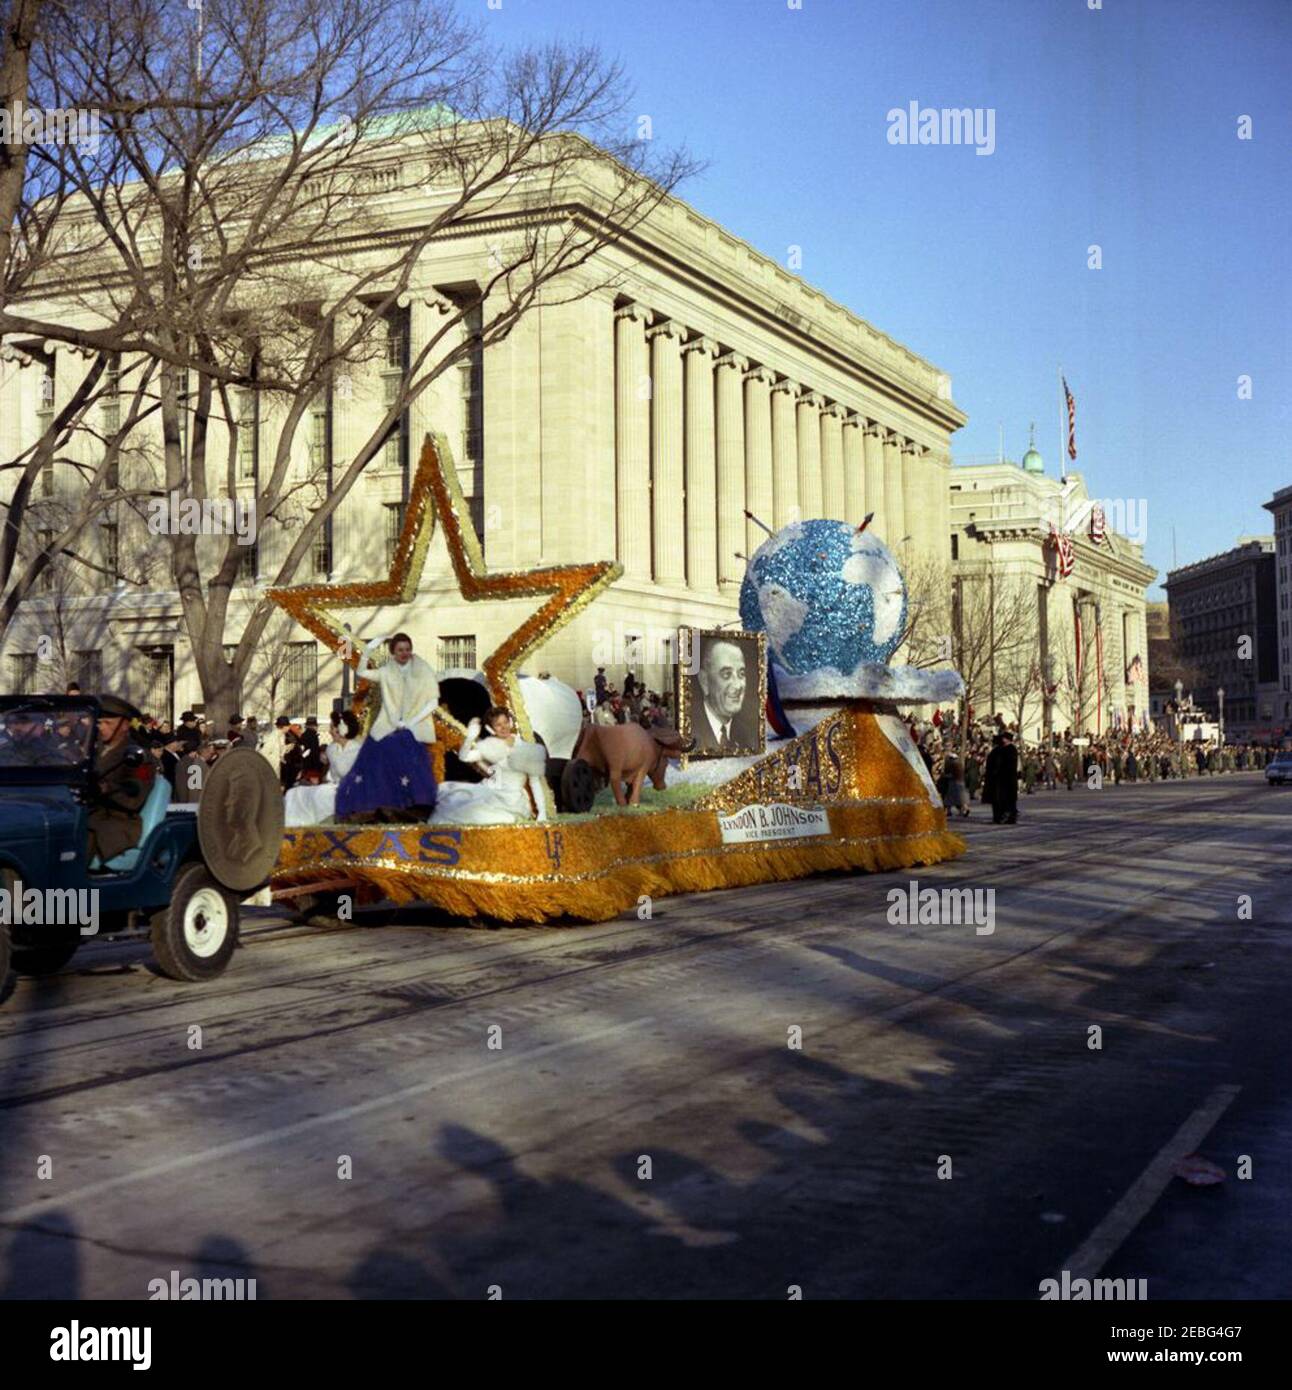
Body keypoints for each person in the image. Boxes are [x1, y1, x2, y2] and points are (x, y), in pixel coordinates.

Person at [336, 632, 439, 822]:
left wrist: (411, 722)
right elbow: (361, 672)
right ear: (393, 652)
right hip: (387, 725)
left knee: (411, 767)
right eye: (400, 650)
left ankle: (415, 808)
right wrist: (368, 649)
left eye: (407, 649)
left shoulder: (423, 670)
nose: (404, 653)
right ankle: (377, 807)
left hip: (413, 728)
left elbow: (432, 701)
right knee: (375, 762)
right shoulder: (386, 672)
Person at [432, 706, 547, 825]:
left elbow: (535, 782)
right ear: (491, 729)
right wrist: (470, 738)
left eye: (505, 722)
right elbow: (464, 757)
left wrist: (542, 812)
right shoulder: (491, 746)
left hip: (513, 801)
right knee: (457, 803)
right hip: (492, 793)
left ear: (510, 722)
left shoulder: (525, 748)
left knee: (501, 819)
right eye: (498, 725)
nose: (503, 727)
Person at [87, 695, 158, 863]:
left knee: (74, 837)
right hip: (88, 814)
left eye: (108, 723)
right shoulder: (90, 751)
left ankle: (70, 887)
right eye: (99, 723)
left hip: (117, 822)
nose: (101, 728)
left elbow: (135, 796)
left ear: (125, 725)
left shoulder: (139, 757)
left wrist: (107, 788)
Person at [284, 711, 364, 826]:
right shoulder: (331, 749)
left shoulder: (358, 749)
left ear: (342, 729)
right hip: (333, 788)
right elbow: (329, 775)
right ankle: (293, 827)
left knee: (318, 795)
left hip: (350, 793)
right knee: (293, 793)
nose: (330, 731)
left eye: (332, 727)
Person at [689, 637, 755, 754]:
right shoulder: (688, 732)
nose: (738, 685)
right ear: (704, 681)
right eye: (726, 674)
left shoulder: (750, 736)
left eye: (741, 674)